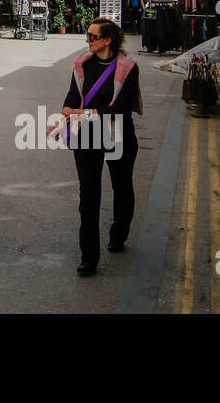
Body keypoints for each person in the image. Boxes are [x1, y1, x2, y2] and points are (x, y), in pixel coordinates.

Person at [57, 18, 142, 277]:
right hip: (87, 136)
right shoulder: (82, 64)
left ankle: (119, 234)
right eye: (87, 35)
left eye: (93, 36)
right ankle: (89, 257)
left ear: (108, 40)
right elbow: (73, 96)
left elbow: (120, 108)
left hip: (118, 133)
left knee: (122, 188)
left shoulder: (128, 67)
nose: (87, 40)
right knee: (89, 196)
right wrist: (68, 109)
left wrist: (84, 112)